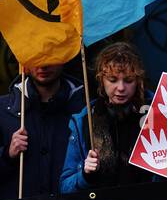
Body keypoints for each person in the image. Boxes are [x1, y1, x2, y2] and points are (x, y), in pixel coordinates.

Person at [0, 59, 85, 199]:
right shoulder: (0, 109)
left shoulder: (85, 109)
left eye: (49, 57)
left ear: (63, 59)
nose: (43, 65)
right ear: (24, 63)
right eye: (36, 58)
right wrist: (7, 154)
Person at [61, 42, 153, 191]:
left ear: (138, 80)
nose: (121, 88)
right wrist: (85, 175)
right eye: (113, 80)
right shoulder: (85, 120)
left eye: (129, 80)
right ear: (101, 79)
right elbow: (65, 187)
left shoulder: (158, 110)